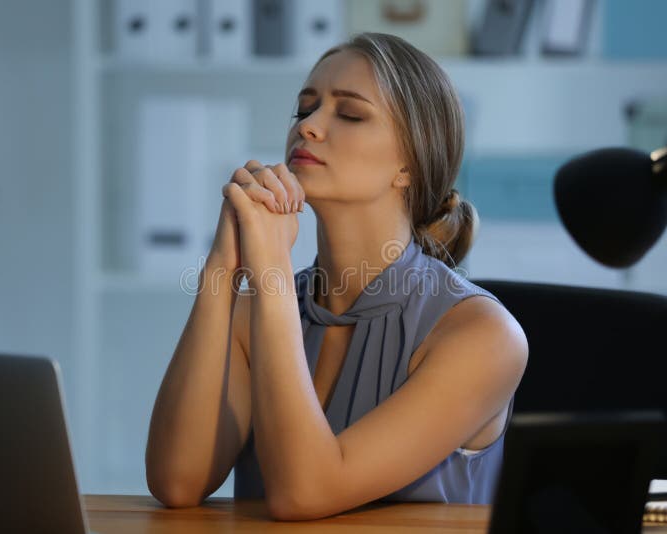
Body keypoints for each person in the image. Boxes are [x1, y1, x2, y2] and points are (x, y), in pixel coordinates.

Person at [145, 32, 528, 521]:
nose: (309, 127)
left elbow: (303, 493)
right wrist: (224, 265)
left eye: (349, 114)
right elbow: (177, 481)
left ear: (408, 165)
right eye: (305, 109)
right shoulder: (260, 309)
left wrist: (273, 278)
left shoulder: (485, 337)